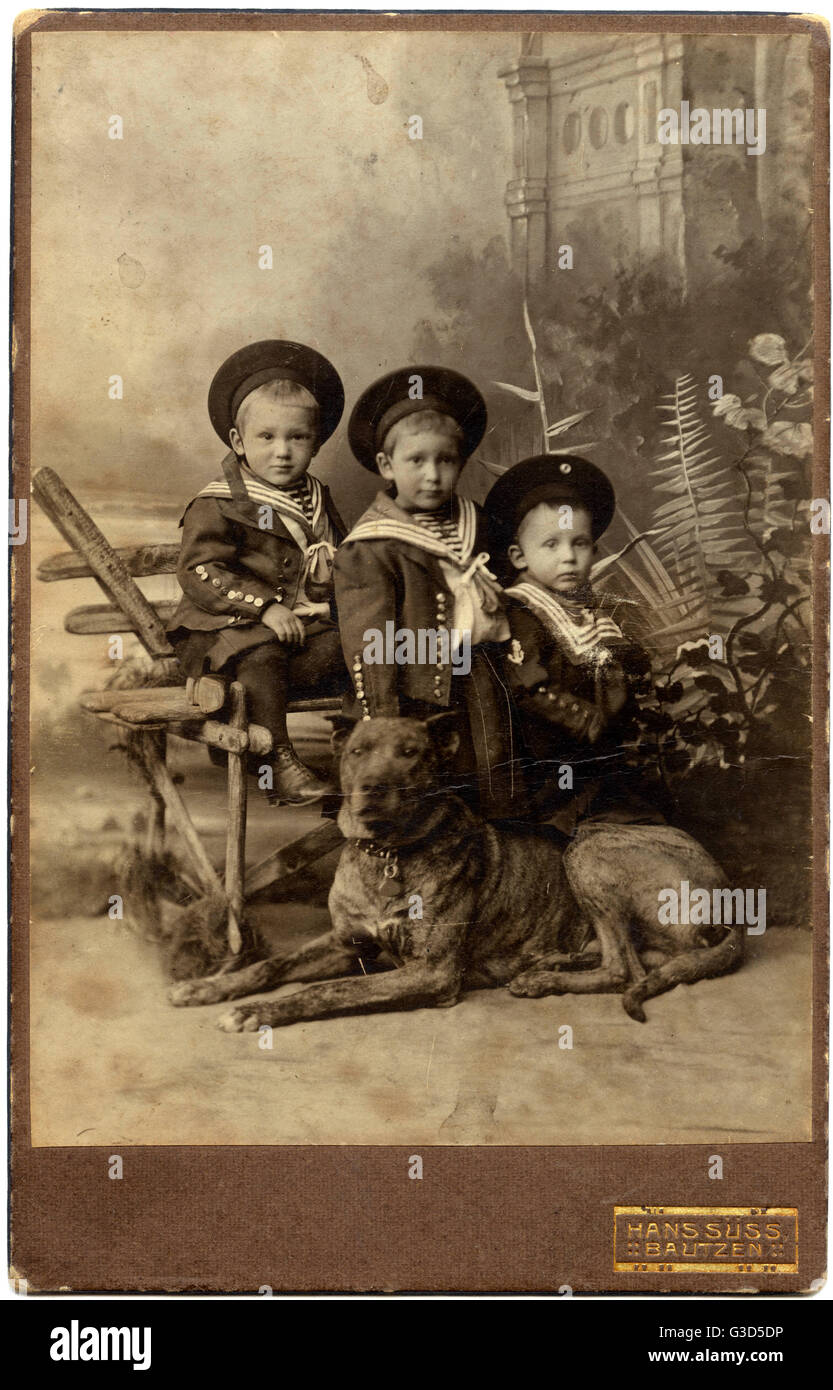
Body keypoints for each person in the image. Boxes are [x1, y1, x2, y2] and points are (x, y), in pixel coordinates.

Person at [167, 339, 348, 805]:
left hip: (295, 631)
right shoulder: (219, 502)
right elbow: (200, 569)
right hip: (221, 633)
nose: (283, 451)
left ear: (316, 441)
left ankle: (358, 749)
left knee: (360, 639)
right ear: (238, 442)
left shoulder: (317, 499)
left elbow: (345, 557)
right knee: (262, 657)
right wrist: (264, 607)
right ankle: (277, 760)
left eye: (298, 437)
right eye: (267, 437)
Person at [333, 366, 518, 817]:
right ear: (386, 466)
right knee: (427, 783)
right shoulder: (372, 544)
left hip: (482, 672)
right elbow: (371, 640)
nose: (433, 475)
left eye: (446, 460)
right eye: (417, 461)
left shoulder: (477, 523)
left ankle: (497, 856)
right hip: (416, 685)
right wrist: (384, 715)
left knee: (495, 766)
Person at [483, 454, 663, 833]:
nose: (568, 557)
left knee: (652, 815)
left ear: (594, 551)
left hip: (595, 760)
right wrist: (591, 722)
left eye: (579, 543)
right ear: (519, 556)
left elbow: (620, 677)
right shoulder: (522, 614)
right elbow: (529, 688)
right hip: (547, 769)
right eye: (551, 544)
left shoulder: (592, 614)